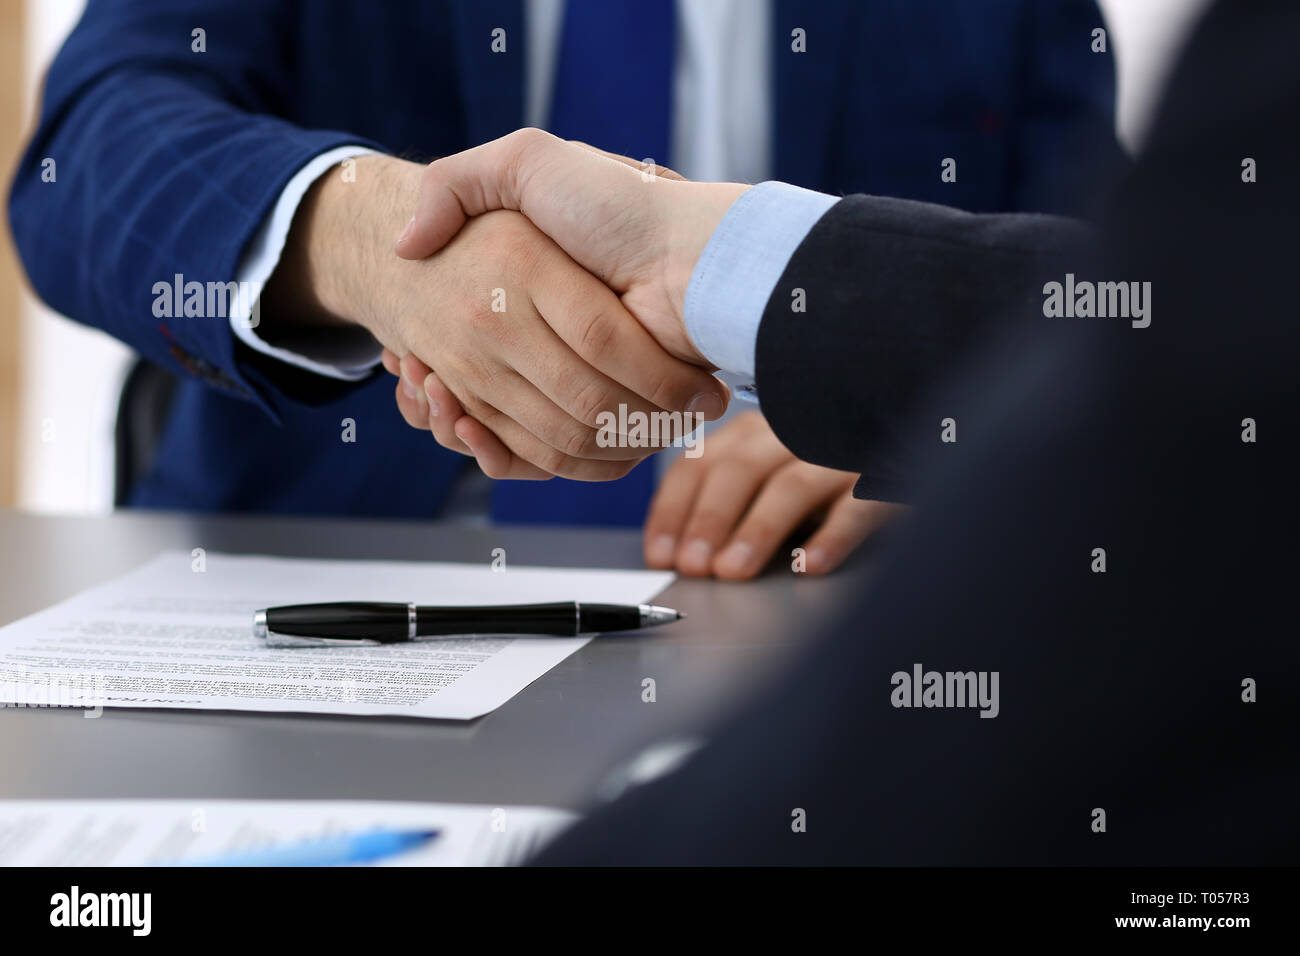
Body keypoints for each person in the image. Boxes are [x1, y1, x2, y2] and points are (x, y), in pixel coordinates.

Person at [388, 0, 1298, 863]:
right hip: (380, 604)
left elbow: (1145, 328)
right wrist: (357, 234)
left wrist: (909, 427)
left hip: (816, 609)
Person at [7, 0, 1120, 579]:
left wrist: (900, 407)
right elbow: (88, 152)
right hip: (338, 584)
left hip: (803, 600)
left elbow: (1120, 291)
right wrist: (365, 237)